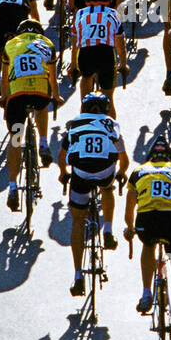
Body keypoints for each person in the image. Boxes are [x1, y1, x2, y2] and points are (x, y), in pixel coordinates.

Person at [124, 134, 171, 340]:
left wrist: (130, 228)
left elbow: (129, 207)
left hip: (147, 220)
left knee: (147, 245)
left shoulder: (138, 172)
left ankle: (146, 293)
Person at [58, 92, 128, 296]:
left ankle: (78, 274)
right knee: (107, 188)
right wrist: (122, 173)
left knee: (78, 221)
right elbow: (124, 159)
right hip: (105, 171)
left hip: (81, 173)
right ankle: (107, 231)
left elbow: (62, 157)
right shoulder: (112, 124)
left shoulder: (74, 125)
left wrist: (63, 174)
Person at [1, 20, 60, 213]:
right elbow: (52, 76)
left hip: (17, 96)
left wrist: (4, 98)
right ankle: (43, 142)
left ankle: (12, 186)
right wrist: (56, 96)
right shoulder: (47, 43)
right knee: (42, 106)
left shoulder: (10, 45)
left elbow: (4, 78)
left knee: (16, 139)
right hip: (39, 93)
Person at [69, 0, 127, 108]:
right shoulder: (113, 14)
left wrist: (73, 64)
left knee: (86, 79)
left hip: (86, 53)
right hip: (105, 54)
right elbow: (120, 41)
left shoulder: (80, 13)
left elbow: (75, 42)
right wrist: (123, 64)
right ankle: (109, 123)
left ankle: (84, 112)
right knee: (108, 99)